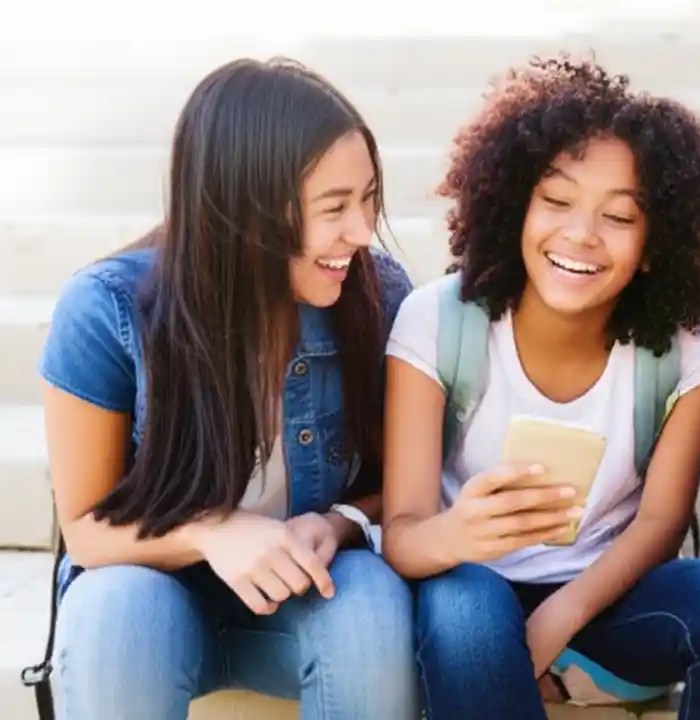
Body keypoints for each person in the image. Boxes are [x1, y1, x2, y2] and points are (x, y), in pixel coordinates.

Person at [380, 55, 700, 720]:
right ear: (516, 205)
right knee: (465, 613)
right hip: (467, 588)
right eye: (557, 201)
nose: (581, 234)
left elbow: (660, 522)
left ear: (656, 243)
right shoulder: (438, 319)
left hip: (606, 596)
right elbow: (401, 534)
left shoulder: (684, 339)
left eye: (620, 217)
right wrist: (458, 534)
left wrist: (558, 618)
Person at [37, 57, 419, 719]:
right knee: (112, 606)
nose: (361, 233)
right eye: (334, 208)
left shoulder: (378, 296)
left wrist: (339, 521)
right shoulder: (109, 309)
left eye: (368, 198)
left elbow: (412, 482)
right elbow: (88, 528)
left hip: (306, 600)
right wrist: (215, 533)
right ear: (247, 211)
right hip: (157, 599)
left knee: (371, 600)